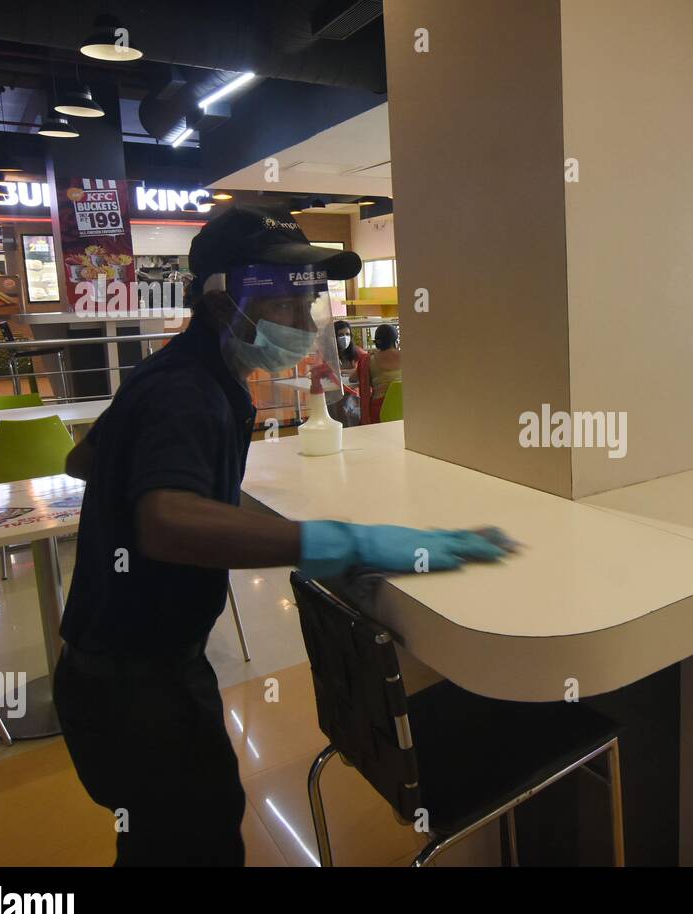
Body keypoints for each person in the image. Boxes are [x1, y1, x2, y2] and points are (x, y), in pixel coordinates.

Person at [54, 206, 509, 866]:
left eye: (308, 304)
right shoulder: (190, 393)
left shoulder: (177, 375)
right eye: (287, 305)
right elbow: (167, 521)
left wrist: (164, 472)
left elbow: (84, 460)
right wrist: (339, 542)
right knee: (195, 846)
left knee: (153, 844)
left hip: (107, 674)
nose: (304, 324)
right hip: (140, 692)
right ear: (221, 303)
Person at [368, 322, 402, 423]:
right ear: (396, 341)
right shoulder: (408, 355)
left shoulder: (370, 360)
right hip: (404, 405)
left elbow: (353, 378)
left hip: (380, 409)